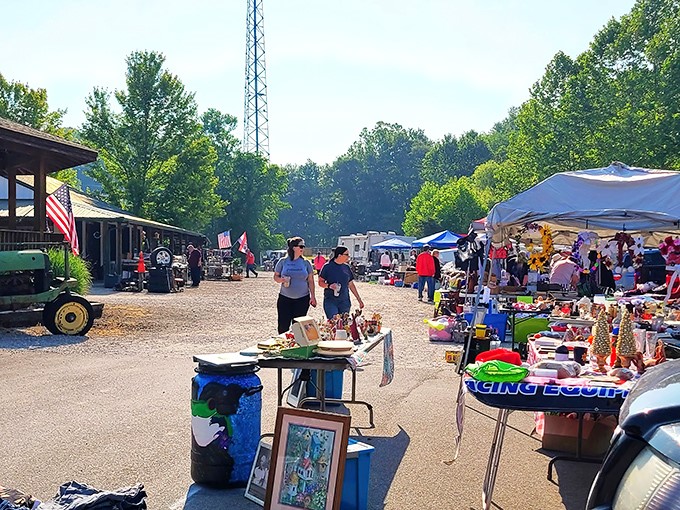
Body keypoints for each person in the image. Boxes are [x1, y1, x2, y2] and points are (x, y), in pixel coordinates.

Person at [274, 237, 316, 334]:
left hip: (302, 298)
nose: (303, 248)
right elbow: (276, 277)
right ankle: (283, 345)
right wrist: (282, 280)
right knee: (283, 325)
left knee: (298, 326)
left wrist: (313, 296)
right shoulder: (283, 261)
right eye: (301, 246)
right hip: (285, 298)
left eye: (303, 246)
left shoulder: (306, 263)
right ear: (293, 247)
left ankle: (297, 345)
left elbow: (311, 281)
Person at [318, 246, 364, 319]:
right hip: (331, 300)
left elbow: (351, 285)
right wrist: (329, 286)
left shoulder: (346, 267)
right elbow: (320, 282)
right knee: (334, 323)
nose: (348, 257)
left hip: (345, 301)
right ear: (339, 255)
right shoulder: (327, 266)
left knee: (343, 325)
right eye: (346, 255)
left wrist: (359, 300)